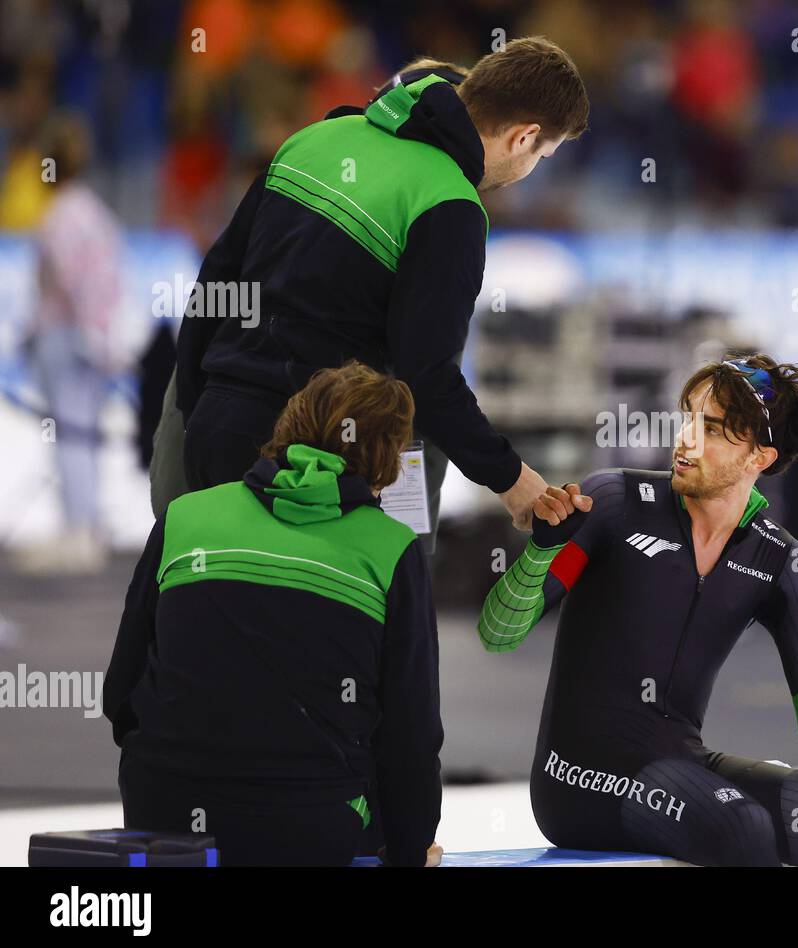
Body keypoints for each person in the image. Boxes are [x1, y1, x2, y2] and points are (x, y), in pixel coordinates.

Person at [479, 353, 798, 867]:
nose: (686, 439)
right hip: (576, 781)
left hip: (680, 767)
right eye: (688, 416)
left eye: (711, 428)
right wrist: (539, 552)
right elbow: (498, 634)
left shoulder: (780, 558)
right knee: (741, 828)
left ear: (759, 457)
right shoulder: (616, 502)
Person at [154, 38, 590, 544]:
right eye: (544, 154)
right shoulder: (449, 204)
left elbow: (214, 290)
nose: (529, 171)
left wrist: (193, 411)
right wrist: (513, 480)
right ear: (524, 137)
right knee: (314, 622)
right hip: (313, 468)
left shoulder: (319, 137)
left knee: (201, 615)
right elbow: (425, 375)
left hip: (218, 431)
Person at [106, 362, 443, 866]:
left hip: (165, 816)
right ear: (388, 457)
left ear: (289, 422)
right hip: (309, 826)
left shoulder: (187, 516)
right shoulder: (391, 549)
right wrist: (413, 849)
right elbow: (410, 734)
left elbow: (121, 691)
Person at [14, 114, 127, 575]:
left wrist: (78, 332)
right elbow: (109, 281)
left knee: (71, 435)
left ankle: (80, 530)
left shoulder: (59, 216)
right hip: (91, 336)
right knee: (80, 433)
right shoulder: (96, 212)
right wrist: (103, 335)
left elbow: (68, 281)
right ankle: (85, 526)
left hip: (69, 338)